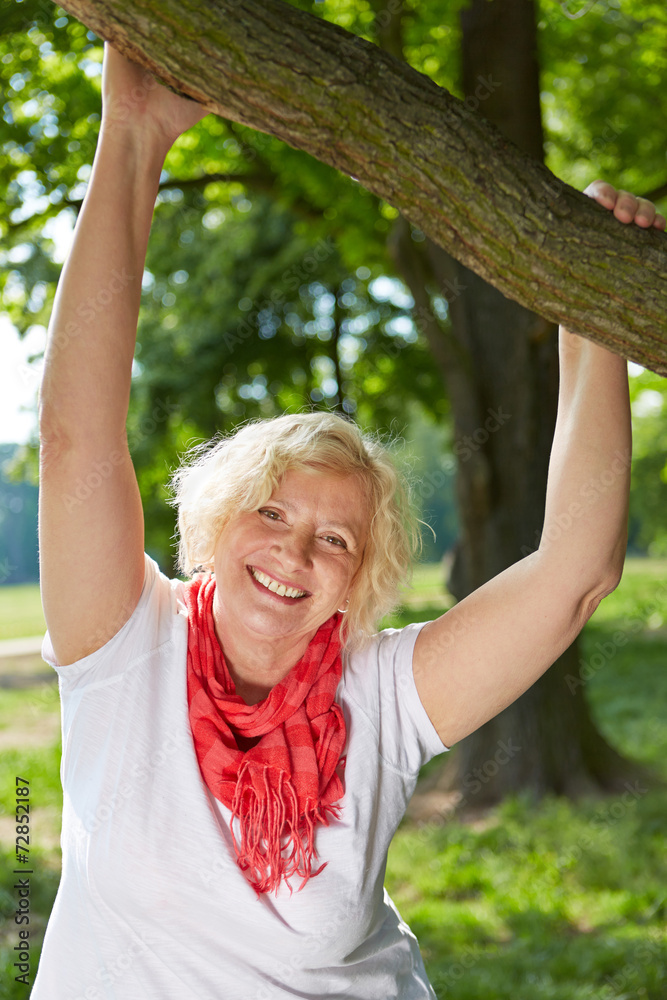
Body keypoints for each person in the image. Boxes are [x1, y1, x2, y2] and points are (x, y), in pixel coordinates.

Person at [34, 42, 665, 1000]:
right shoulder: (124, 646)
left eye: (334, 540)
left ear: (358, 578)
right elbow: (78, 439)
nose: (293, 551)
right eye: (271, 511)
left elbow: (572, 573)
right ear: (211, 527)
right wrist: (134, 135)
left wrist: (592, 329)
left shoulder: (379, 694)